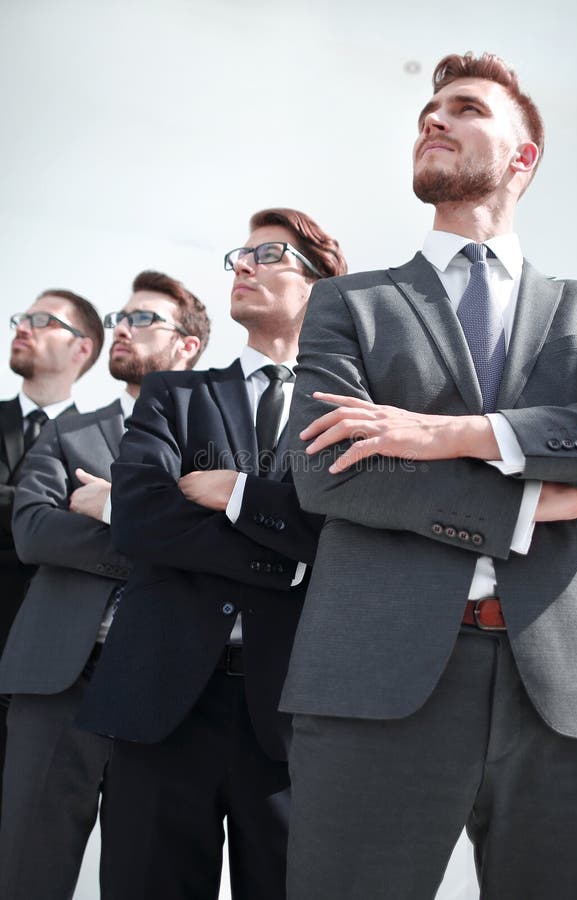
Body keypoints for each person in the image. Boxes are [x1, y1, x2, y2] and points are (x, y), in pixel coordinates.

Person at [283, 52, 577, 900]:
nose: (432, 120)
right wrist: (529, 502)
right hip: (374, 676)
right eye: (427, 111)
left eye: (464, 107)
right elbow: (331, 472)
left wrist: (454, 434)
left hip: (573, 689)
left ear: (522, 156)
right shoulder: (348, 305)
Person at [78, 208, 347, 900]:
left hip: (290, 714)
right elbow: (139, 519)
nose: (244, 266)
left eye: (270, 254)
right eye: (241, 255)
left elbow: (342, 533)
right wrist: (284, 556)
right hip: (161, 702)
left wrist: (234, 493)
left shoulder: (346, 413)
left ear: (318, 287)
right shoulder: (174, 395)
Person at [0, 270, 210, 900]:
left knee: (144, 878)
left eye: (143, 319)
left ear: (187, 346)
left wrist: (117, 510)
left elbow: (221, 543)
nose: (123, 327)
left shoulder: (214, 441)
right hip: (57, 680)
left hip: (164, 690)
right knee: (24, 873)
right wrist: (163, 539)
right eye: (121, 316)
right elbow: (34, 531)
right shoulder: (68, 431)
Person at [0, 289, 103, 819]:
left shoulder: (101, 439)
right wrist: (45, 510)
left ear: (83, 348)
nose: (23, 326)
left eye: (43, 320)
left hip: (51, 662)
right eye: (23, 317)